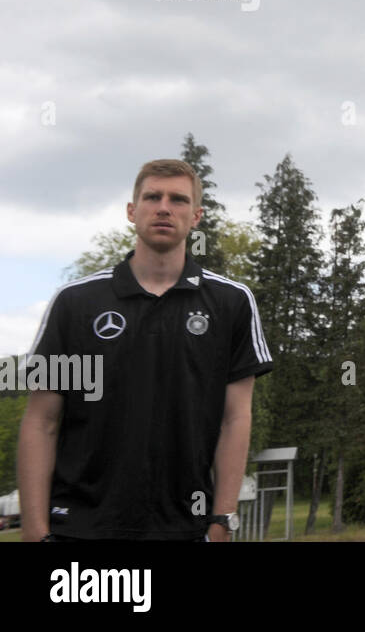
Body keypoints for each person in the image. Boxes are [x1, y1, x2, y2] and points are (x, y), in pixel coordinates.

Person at [18, 159, 271, 541]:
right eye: (152, 196)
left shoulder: (232, 302)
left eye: (178, 200)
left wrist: (222, 520)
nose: (164, 207)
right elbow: (42, 422)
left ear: (197, 215)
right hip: (80, 530)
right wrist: (35, 532)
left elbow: (234, 420)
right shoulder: (75, 303)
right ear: (132, 211)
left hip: (187, 528)